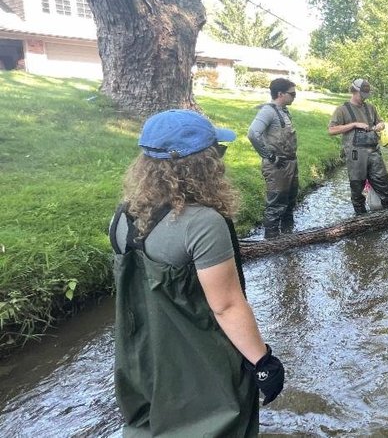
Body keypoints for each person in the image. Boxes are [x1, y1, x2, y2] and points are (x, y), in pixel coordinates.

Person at [110, 109, 285, 436]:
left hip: (141, 358)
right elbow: (226, 306)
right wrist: (263, 362)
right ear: (203, 163)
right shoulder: (203, 224)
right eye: (218, 151)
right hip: (200, 360)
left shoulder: (122, 217)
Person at [328, 78, 388, 214]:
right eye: (362, 94)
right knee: (357, 189)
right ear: (354, 91)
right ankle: (361, 219)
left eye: (366, 94)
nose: (365, 97)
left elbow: (381, 122)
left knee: (384, 184)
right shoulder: (342, 110)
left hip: (374, 153)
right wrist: (354, 124)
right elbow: (331, 130)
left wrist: (380, 126)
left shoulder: (371, 108)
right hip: (356, 156)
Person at [247, 78, 299, 238]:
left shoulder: (283, 111)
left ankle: (289, 237)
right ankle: (271, 241)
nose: (295, 96)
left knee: (290, 202)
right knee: (276, 204)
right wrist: (270, 156)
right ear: (280, 94)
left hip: (290, 163)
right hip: (277, 166)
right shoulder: (268, 111)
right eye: (292, 94)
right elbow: (253, 133)